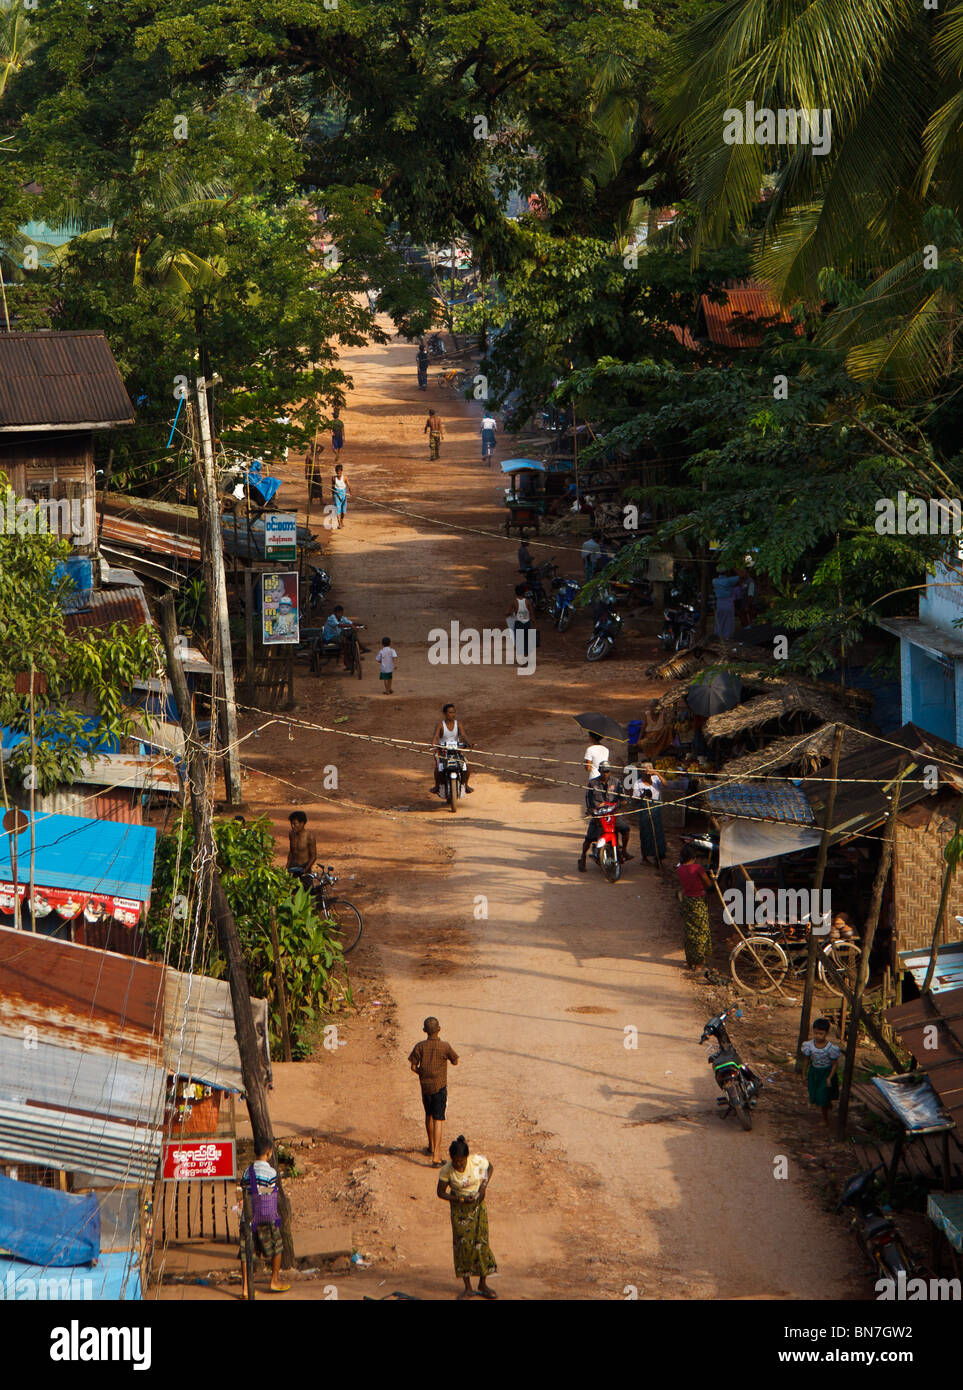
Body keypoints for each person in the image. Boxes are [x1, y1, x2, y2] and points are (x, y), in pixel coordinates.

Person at [437, 1136, 497, 1299]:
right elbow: (440, 1193)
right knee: (463, 1246)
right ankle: (468, 1287)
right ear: (451, 1159)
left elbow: (489, 1167)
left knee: (481, 1244)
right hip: (459, 1211)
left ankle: (483, 1283)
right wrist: (460, 1199)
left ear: (467, 1158)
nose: (459, 1165)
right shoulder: (446, 1170)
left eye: (462, 1161)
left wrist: (483, 1188)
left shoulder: (476, 1162)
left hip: (478, 1208)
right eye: (456, 1161)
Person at [238, 1140, 290, 1296]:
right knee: (277, 1247)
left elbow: (244, 1189)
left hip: (248, 1217)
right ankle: (274, 1280)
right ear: (268, 1152)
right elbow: (272, 1193)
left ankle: (246, 1287)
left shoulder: (247, 1172)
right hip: (267, 1216)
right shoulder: (272, 1173)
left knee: (246, 1251)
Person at [408, 1017, 459, 1164]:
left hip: (425, 1087)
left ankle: (430, 1146)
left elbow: (413, 1067)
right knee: (439, 1119)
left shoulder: (420, 1046)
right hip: (440, 1086)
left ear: (424, 1031)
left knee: (428, 1115)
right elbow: (455, 1061)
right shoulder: (445, 1046)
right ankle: (436, 1156)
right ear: (439, 1029)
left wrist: (423, 1074)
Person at [578, 762, 631, 873]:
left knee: (625, 829)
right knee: (589, 838)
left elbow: (623, 797)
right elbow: (588, 799)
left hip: (613, 815)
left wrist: (623, 802)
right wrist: (590, 810)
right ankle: (582, 858)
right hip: (598, 816)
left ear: (610, 771)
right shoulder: (592, 783)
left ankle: (624, 850)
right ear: (599, 771)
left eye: (607, 771)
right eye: (603, 771)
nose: (605, 774)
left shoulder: (616, 782)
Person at [675, 845, 714, 967]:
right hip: (698, 902)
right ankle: (699, 961)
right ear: (694, 857)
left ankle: (691, 960)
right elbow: (708, 883)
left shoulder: (679, 869)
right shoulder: (697, 868)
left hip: (686, 901)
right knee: (701, 931)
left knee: (690, 931)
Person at [801, 1018, 842, 1124]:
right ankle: (826, 1104)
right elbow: (806, 1060)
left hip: (826, 1073)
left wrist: (829, 1077)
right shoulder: (809, 1046)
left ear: (827, 1033)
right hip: (814, 1073)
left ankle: (824, 1119)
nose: (817, 1036)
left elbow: (835, 1064)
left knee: (822, 1094)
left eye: (820, 1033)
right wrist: (804, 1074)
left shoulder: (830, 1048)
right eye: (815, 1033)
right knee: (815, 1093)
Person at [628, 760, 667, 865]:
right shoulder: (638, 783)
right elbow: (635, 799)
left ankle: (658, 855)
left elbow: (665, 784)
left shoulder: (655, 779)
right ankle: (645, 856)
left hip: (655, 808)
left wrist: (657, 773)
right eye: (646, 771)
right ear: (642, 772)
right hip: (644, 808)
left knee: (657, 831)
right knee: (645, 832)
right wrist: (642, 797)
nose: (648, 774)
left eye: (650, 771)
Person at [432, 703, 473, 796]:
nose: (452, 714)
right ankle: (437, 785)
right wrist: (434, 744)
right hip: (443, 751)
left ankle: (465, 785)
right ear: (445, 714)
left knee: (466, 766)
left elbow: (463, 735)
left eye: (454, 712)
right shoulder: (440, 725)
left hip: (456, 750)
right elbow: (436, 736)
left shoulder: (458, 724)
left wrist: (468, 743)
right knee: (439, 767)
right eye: (450, 712)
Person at [286, 811, 317, 879]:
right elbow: (291, 851)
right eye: (291, 824)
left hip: (304, 867)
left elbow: (313, 857)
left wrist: (305, 870)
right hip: (293, 866)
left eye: (295, 824)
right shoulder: (291, 834)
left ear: (302, 823)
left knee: (307, 888)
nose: (292, 826)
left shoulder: (309, 837)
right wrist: (287, 866)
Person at [712, 568, 739, 640]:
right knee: (729, 620)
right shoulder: (730, 580)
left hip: (719, 602)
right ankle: (727, 636)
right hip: (728, 602)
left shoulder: (714, 581)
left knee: (719, 619)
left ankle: (718, 635)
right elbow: (740, 576)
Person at [511, 582, 534, 659]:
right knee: (527, 640)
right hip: (527, 623)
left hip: (519, 623)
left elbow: (508, 612)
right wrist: (533, 621)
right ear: (524, 593)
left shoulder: (514, 602)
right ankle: (527, 656)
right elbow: (531, 612)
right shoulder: (527, 601)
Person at [331, 462, 350, 528]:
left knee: (343, 511)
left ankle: (341, 520)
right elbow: (332, 487)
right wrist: (333, 495)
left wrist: (350, 493)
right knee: (338, 509)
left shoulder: (345, 478)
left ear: (342, 471)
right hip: (337, 494)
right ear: (335, 472)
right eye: (337, 472)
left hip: (343, 495)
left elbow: (349, 486)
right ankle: (339, 524)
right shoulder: (333, 478)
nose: (338, 473)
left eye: (339, 472)